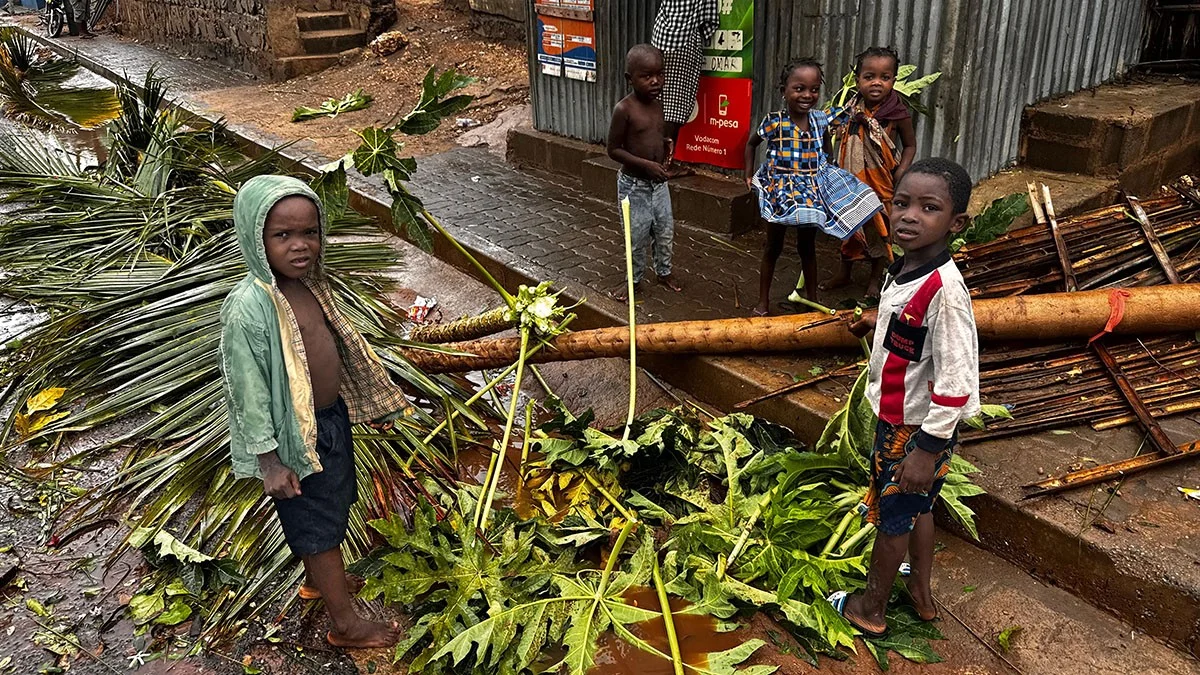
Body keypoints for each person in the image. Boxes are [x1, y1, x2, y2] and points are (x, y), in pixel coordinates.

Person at [220, 175, 410, 649]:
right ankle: (344, 625)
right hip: (291, 441)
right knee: (317, 524)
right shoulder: (249, 307)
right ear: (254, 238)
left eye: (309, 233)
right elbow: (249, 392)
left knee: (334, 506)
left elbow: (340, 347)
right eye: (283, 235)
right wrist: (270, 461)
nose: (300, 246)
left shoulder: (309, 286)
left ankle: (320, 583)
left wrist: (373, 402)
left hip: (327, 422)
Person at [829, 157, 980, 638]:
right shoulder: (906, 266)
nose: (909, 215)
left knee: (892, 517)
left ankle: (870, 606)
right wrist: (878, 322)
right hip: (906, 423)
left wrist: (927, 449)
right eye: (902, 203)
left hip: (913, 432)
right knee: (919, 508)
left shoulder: (945, 291)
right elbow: (914, 333)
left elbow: (957, 380)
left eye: (929, 208)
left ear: (955, 224)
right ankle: (921, 593)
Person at [744, 58, 883, 316]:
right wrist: (748, 175)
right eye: (799, 88)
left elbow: (825, 145)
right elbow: (752, 143)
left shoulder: (820, 119)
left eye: (814, 89)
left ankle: (812, 298)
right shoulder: (775, 121)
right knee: (772, 246)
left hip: (810, 192)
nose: (807, 95)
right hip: (780, 190)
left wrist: (827, 165)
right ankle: (763, 302)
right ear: (783, 90)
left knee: (806, 246)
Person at [822, 46, 918, 301]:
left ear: (893, 81)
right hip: (850, 182)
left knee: (879, 229)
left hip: (881, 182)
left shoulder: (897, 113)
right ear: (858, 80)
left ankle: (875, 279)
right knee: (849, 227)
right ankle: (845, 272)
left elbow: (910, 145)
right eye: (869, 77)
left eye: (884, 78)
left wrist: (903, 172)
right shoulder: (850, 109)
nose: (877, 83)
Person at [607, 44, 682, 299]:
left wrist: (665, 145)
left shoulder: (658, 105)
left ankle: (664, 272)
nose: (655, 81)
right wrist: (647, 165)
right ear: (630, 79)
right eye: (646, 76)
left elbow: (654, 136)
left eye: (660, 75)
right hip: (634, 186)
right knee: (635, 236)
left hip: (659, 185)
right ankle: (633, 280)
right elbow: (614, 150)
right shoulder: (624, 110)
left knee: (664, 231)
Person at [651, 0, 719, 177]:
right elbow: (710, 20)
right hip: (685, 45)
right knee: (676, 107)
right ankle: (666, 165)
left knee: (660, 103)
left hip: (659, 41)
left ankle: (653, 159)